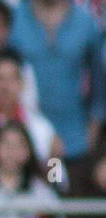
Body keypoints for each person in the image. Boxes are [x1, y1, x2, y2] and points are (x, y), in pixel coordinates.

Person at [9, 0, 104, 192]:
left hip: (74, 141)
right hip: (28, 139)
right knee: (39, 210)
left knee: (68, 204)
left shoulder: (84, 22)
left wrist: (93, 128)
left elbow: (99, 81)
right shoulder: (15, 18)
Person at [0, 50, 61, 165]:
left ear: (22, 84)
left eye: (11, 79)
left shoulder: (40, 127)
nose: (5, 86)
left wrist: (54, 159)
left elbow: (57, 179)